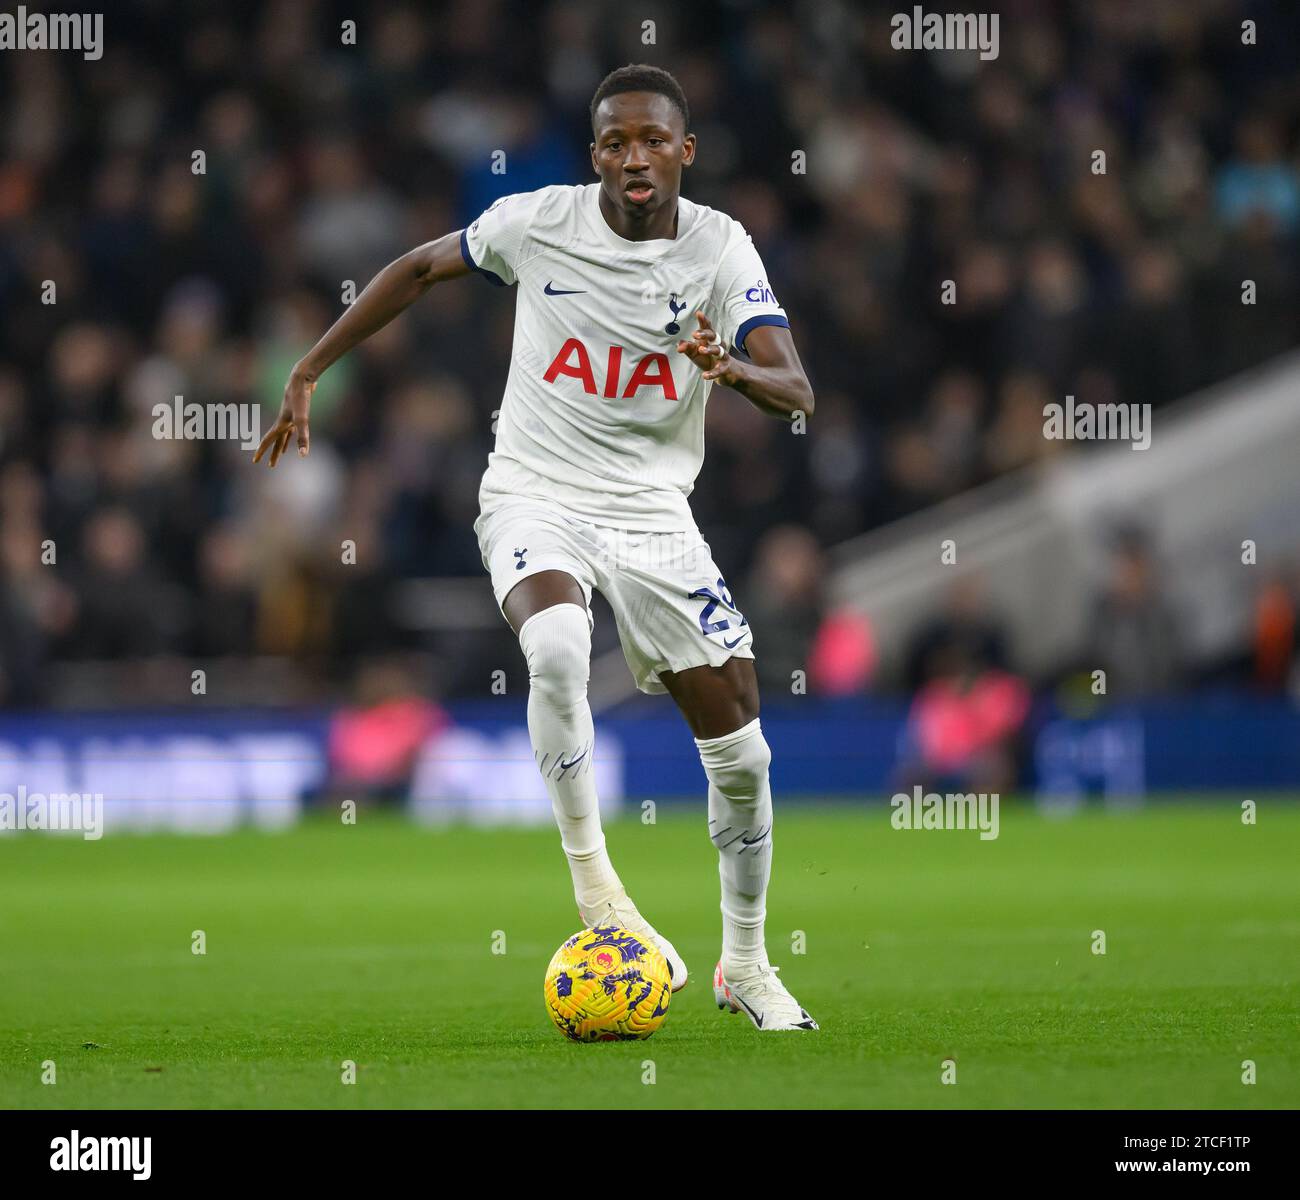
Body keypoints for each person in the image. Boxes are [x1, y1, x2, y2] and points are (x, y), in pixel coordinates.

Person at [254, 65, 818, 1031]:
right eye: (614, 143)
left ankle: (748, 965)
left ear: (685, 151)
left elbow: (796, 387)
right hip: (533, 491)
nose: (633, 158)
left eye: (651, 140)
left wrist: (729, 367)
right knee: (556, 648)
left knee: (744, 758)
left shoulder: (723, 250)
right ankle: (601, 898)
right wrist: (310, 365)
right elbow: (422, 267)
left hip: (651, 513)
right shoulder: (537, 221)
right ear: (594, 154)